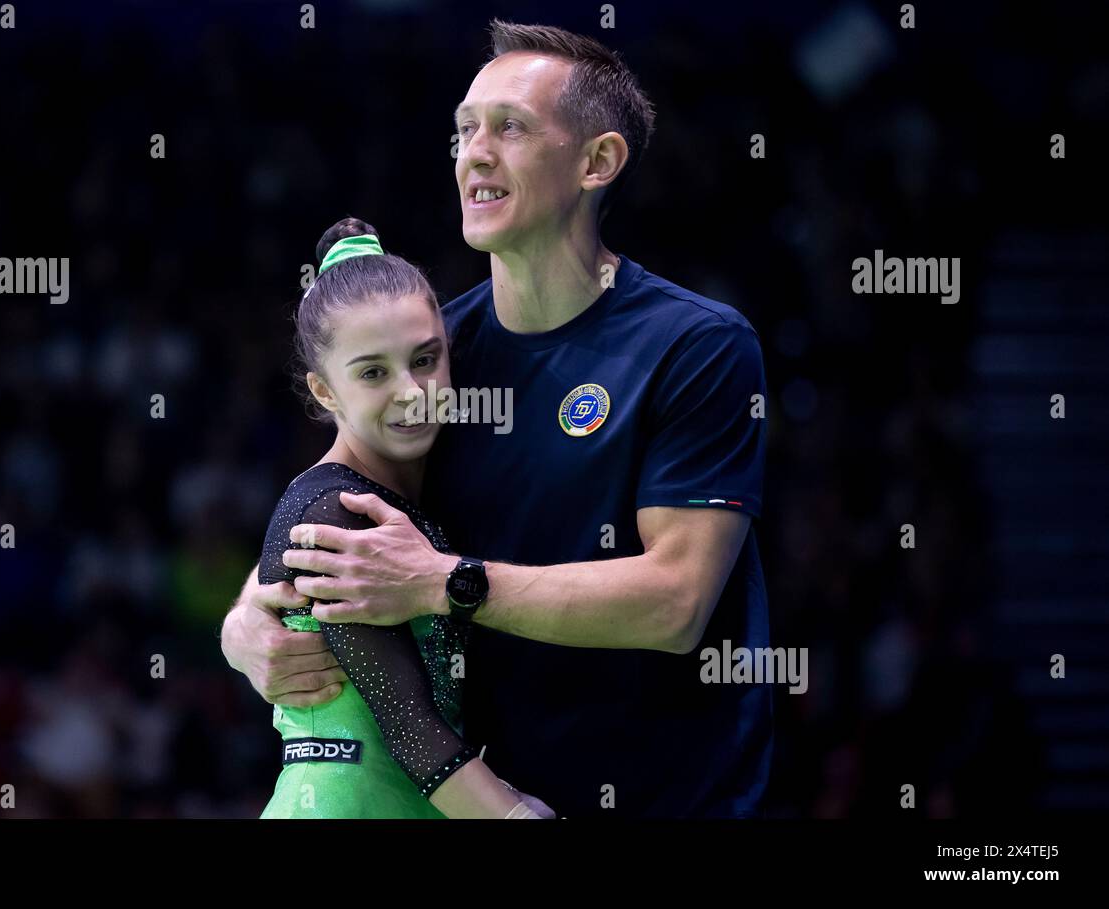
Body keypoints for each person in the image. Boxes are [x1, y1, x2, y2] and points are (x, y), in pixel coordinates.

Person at [225, 19, 772, 818]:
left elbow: (676, 602)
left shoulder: (695, 348)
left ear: (598, 161)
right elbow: (330, 501)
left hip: (679, 799)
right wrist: (247, 618)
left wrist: (447, 583)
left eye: (510, 128)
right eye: (463, 130)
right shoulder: (436, 353)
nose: (473, 153)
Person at [255, 217, 554, 819]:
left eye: (426, 359)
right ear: (324, 392)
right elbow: (410, 726)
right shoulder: (332, 510)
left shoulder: (404, 493)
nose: (413, 391)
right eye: (373, 373)